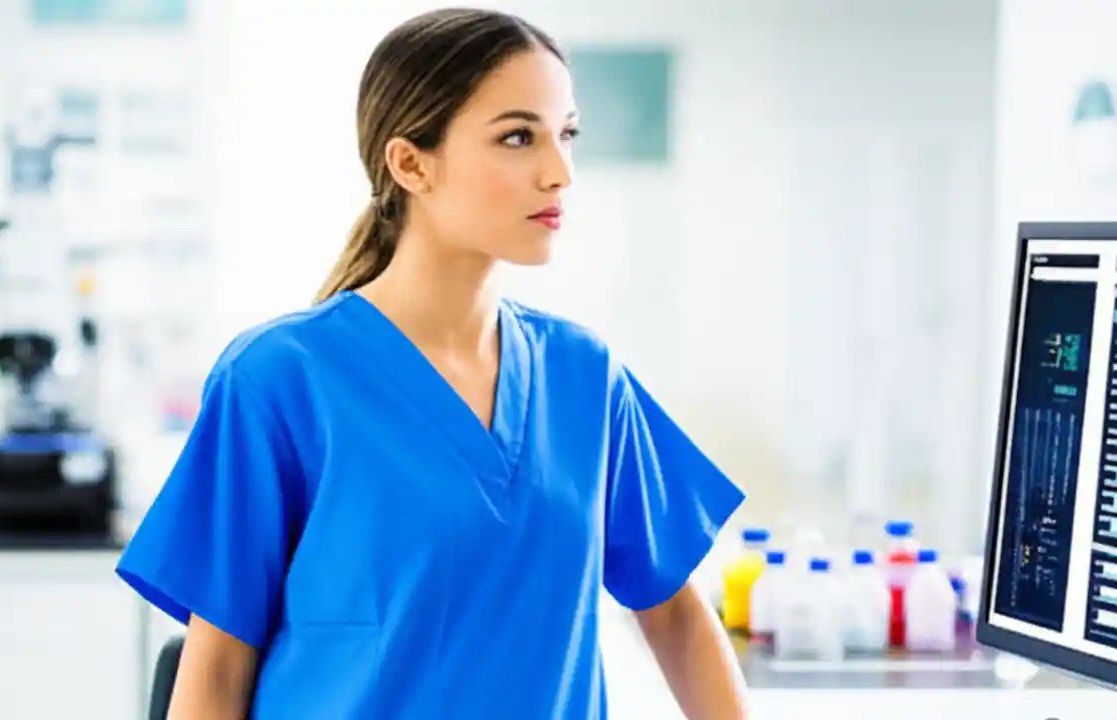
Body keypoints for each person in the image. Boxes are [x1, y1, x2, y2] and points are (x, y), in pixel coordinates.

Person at [116, 7, 748, 719]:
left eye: (566, 135)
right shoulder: (279, 380)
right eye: (518, 138)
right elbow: (217, 671)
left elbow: (676, 619)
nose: (560, 172)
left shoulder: (584, 376)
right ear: (411, 162)